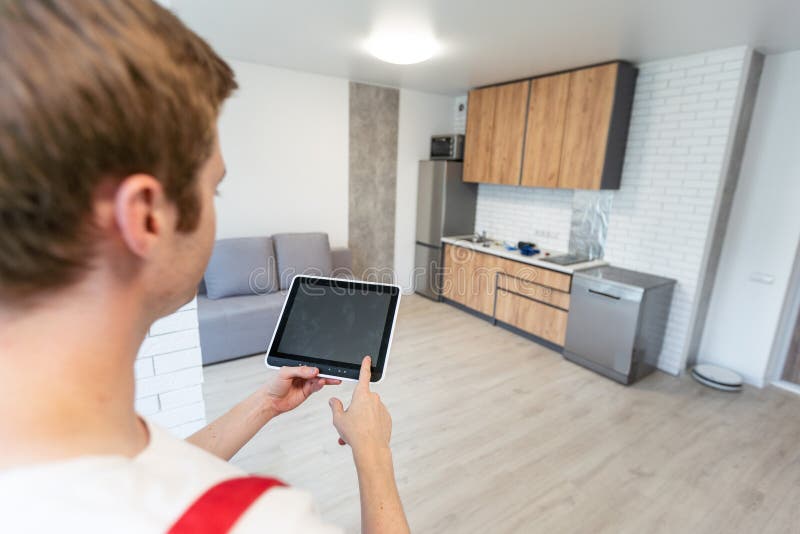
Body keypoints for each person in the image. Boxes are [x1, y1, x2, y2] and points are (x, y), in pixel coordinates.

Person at [0, 1, 411, 533]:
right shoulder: (263, 520)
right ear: (146, 217)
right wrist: (373, 453)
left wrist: (260, 408)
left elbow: (143, 479)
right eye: (213, 187)